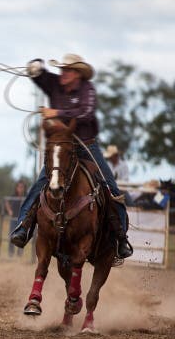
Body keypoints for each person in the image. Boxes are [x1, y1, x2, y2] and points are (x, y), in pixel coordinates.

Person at [10, 54, 133, 259]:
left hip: (86, 146)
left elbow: (86, 113)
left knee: (111, 187)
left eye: (68, 70)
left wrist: (55, 112)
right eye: (63, 69)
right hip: (62, 146)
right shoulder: (55, 84)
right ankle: (23, 227)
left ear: (78, 74)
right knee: (41, 184)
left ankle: (121, 237)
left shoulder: (87, 90)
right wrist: (35, 68)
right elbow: (40, 76)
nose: (63, 73)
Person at [4, 180, 27, 257]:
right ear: (16, 188)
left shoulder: (26, 197)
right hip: (13, 219)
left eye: (22, 187)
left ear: (24, 188)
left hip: (22, 220)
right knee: (12, 236)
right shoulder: (13, 196)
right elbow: (6, 201)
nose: (20, 189)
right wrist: (9, 210)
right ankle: (10, 254)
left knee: (20, 237)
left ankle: (19, 254)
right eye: (19, 187)